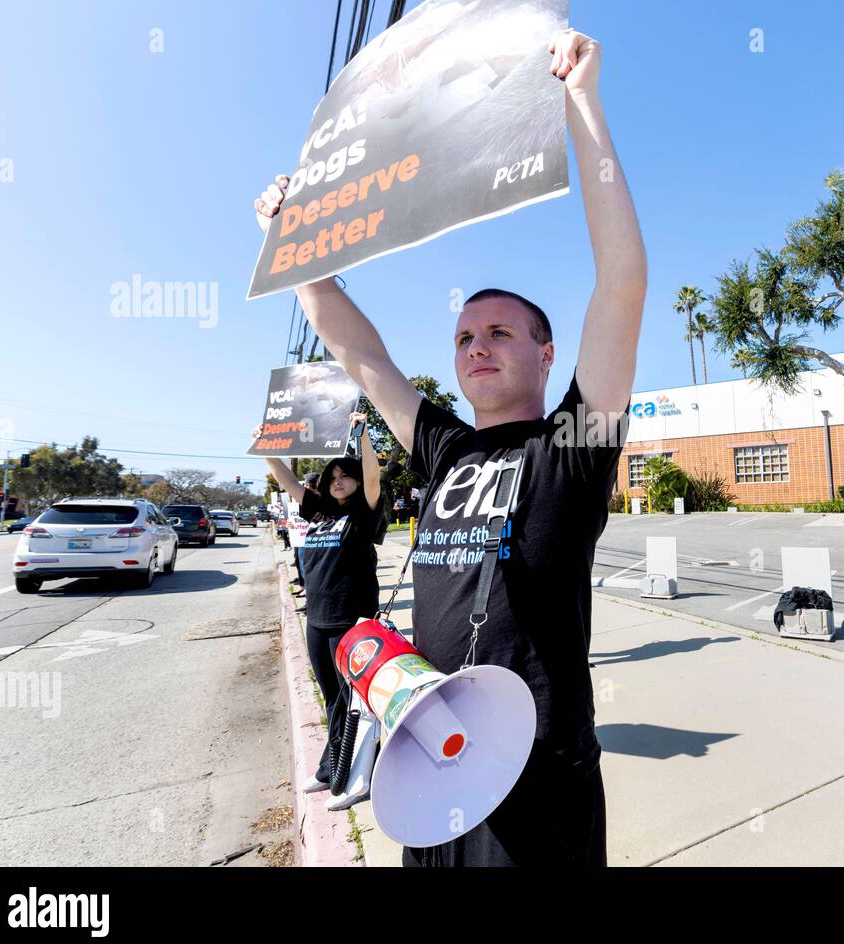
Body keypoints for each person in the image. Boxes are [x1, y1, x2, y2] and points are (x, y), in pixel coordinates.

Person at [253, 27, 644, 866]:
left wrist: (581, 102)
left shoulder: (570, 447)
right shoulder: (444, 448)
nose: (476, 344)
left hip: (539, 781)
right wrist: (304, 257)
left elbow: (621, 282)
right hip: (428, 763)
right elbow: (363, 356)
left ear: (546, 353)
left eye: (501, 330)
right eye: (466, 333)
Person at [256, 413, 386, 803]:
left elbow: (374, 476)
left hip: (352, 619)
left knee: (355, 702)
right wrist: (266, 447)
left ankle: (361, 777)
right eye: (332, 478)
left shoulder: (363, 513)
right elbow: (288, 482)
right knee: (333, 697)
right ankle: (333, 767)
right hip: (318, 618)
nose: (338, 481)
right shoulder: (320, 512)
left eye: (345, 475)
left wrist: (361, 435)